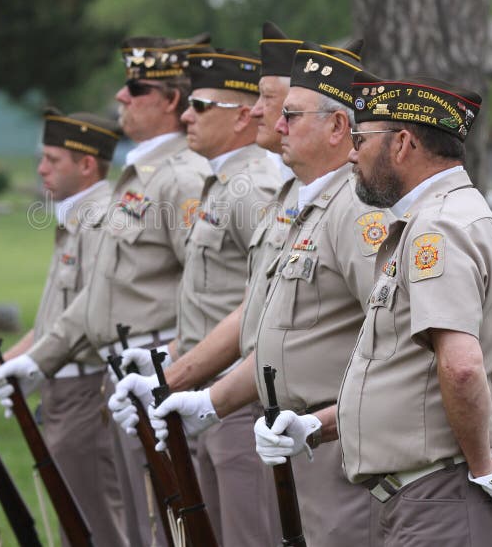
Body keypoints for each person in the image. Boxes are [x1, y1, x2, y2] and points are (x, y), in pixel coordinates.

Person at [256, 75, 492, 546]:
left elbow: (461, 367)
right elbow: (403, 374)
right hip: (425, 497)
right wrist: (316, 425)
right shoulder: (430, 220)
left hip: (445, 497)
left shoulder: (438, 227)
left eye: (361, 139)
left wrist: (484, 468)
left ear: (401, 144)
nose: (352, 154)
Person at [146, 44, 390, 545]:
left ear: (337, 127)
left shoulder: (356, 210)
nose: (275, 122)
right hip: (292, 434)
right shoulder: (303, 202)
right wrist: (205, 400)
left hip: (336, 440)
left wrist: (326, 423)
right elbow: (269, 333)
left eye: (291, 114)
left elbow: (395, 336)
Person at [0, 34, 211, 547]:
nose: (120, 96)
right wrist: (36, 361)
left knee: (172, 527)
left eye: (136, 88)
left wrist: (176, 359)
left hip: (159, 367)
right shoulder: (139, 177)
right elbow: (98, 297)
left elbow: (203, 287)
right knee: (141, 527)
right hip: (125, 374)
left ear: (170, 100)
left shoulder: (183, 177)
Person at [111, 46, 281, 545]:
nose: (186, 114)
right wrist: (172, 357)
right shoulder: (223, 183)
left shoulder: (252, 189)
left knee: (245, 537)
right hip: (204, 391)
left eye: (201, 106)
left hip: (234, 396)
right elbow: (213, 299)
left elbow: (264, 304)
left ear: (241, 117)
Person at [0, 108, 128, 547]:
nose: (41, 168)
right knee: (75, 527)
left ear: (87, 164)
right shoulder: (77, 219)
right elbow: (52, 325)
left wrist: (22, 367)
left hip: (86, 392)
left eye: (52, 159)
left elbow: (86, 316)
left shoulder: (102, 222)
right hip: (64, 390)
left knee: (97, 528)